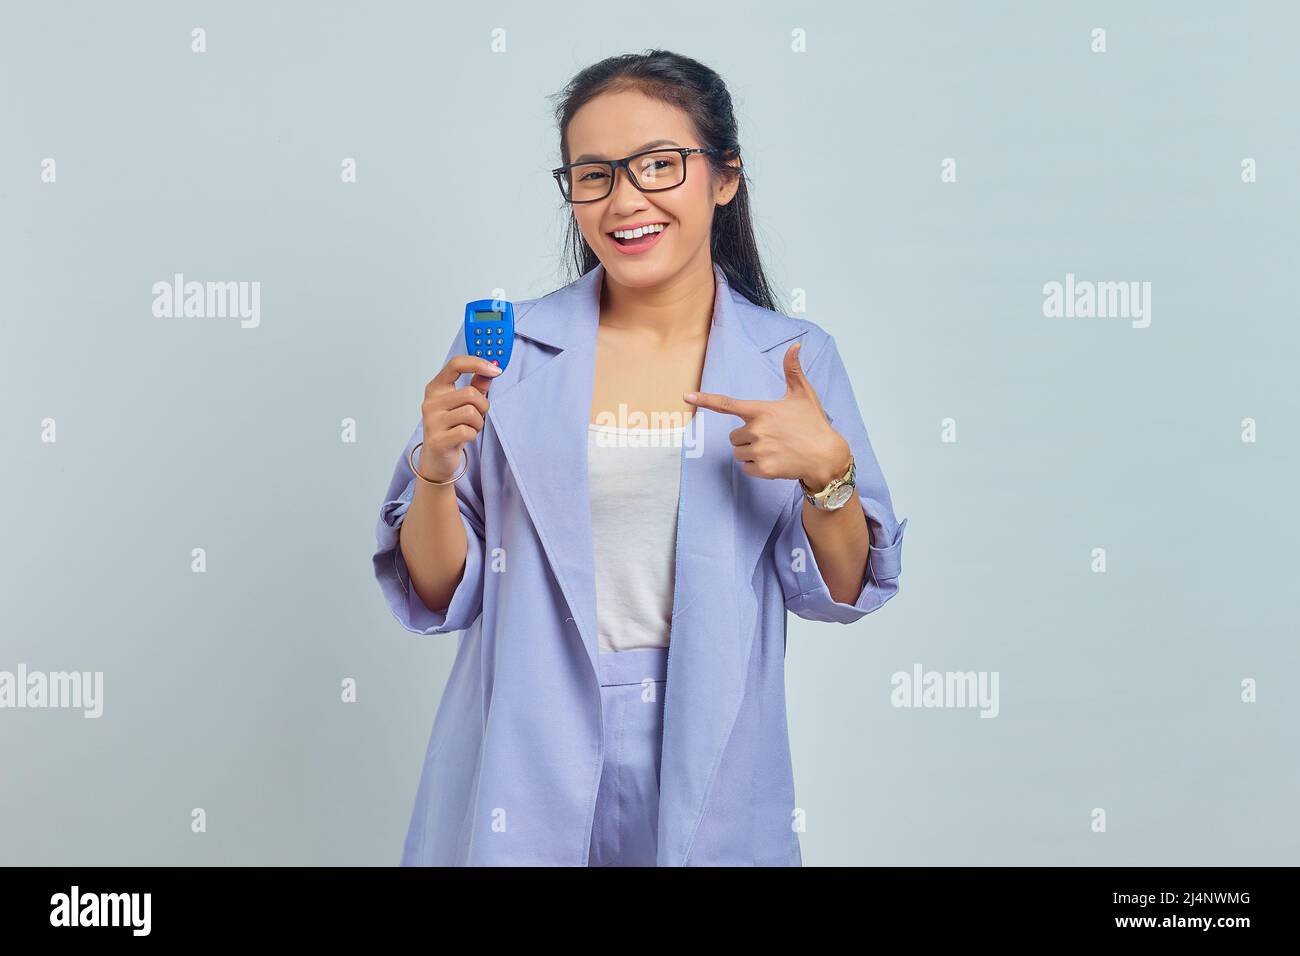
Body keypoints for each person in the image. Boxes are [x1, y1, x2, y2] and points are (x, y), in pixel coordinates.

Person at [372, 49, 908, 866]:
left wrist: (826, 475)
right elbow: (444, 593)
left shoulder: (792, 359)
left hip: (713, 740)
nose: (626, 200)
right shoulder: (508, 350)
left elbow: (838, 590)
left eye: (660, 164)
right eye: (594, 174)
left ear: (724, 177)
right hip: (528, 737)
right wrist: (436, 474)